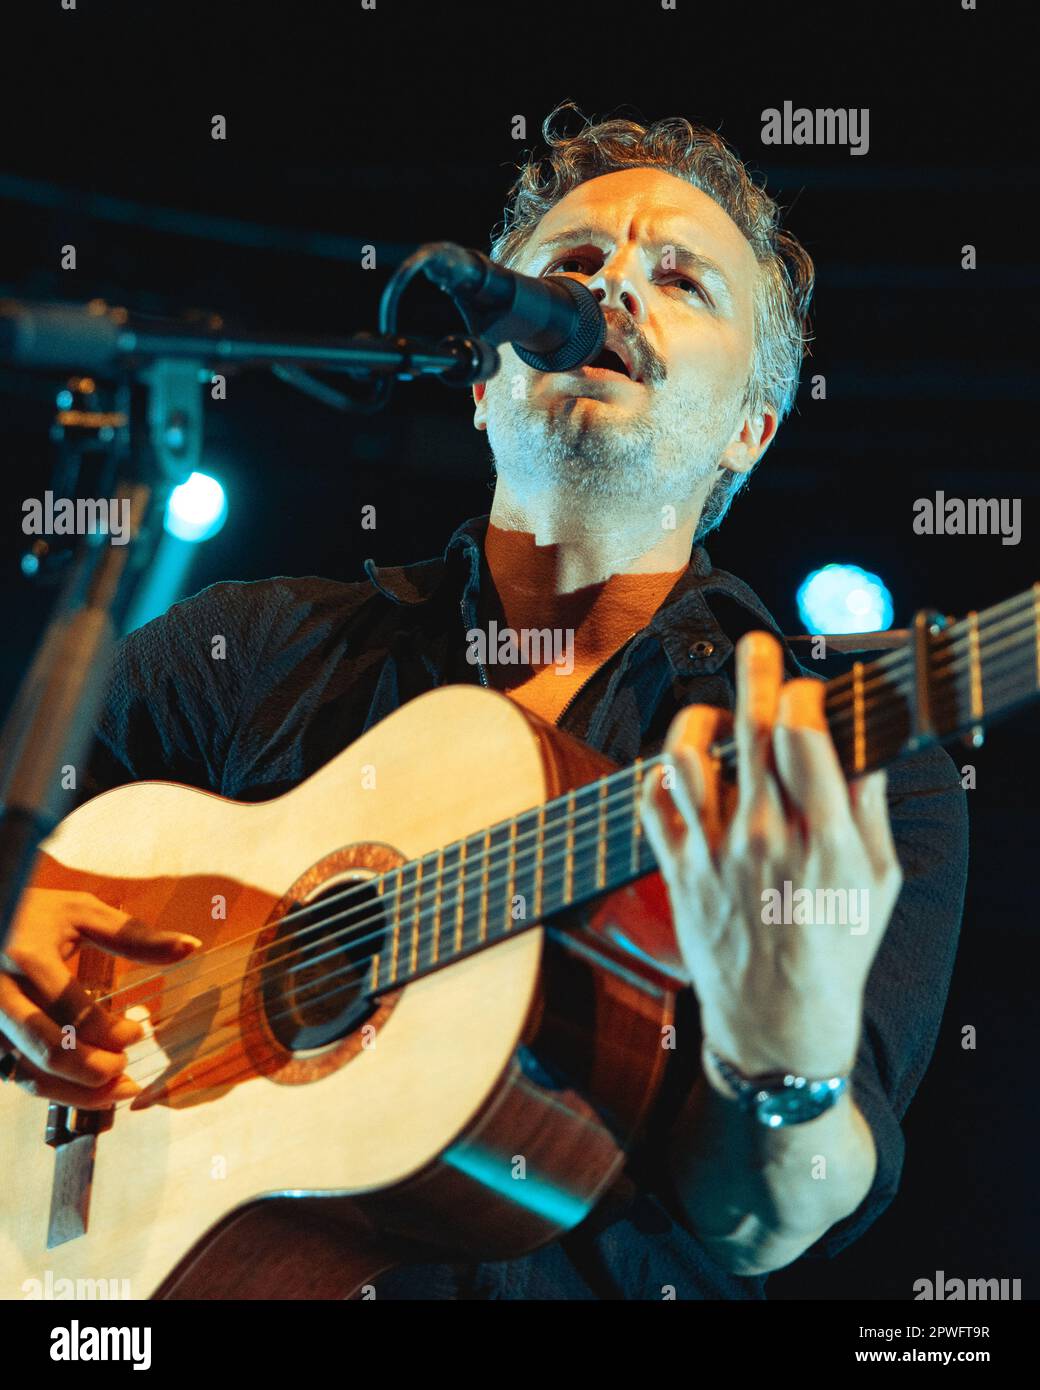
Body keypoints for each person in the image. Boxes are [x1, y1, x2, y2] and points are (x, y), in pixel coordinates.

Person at [0, 105, 967, 1299]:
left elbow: (763, 1223)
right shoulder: (242, 647)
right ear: (478, 380)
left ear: (748, 433)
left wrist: (786, 1064)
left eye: (681, 280)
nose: (612, 287)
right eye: (569, 267)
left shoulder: (842, 765)